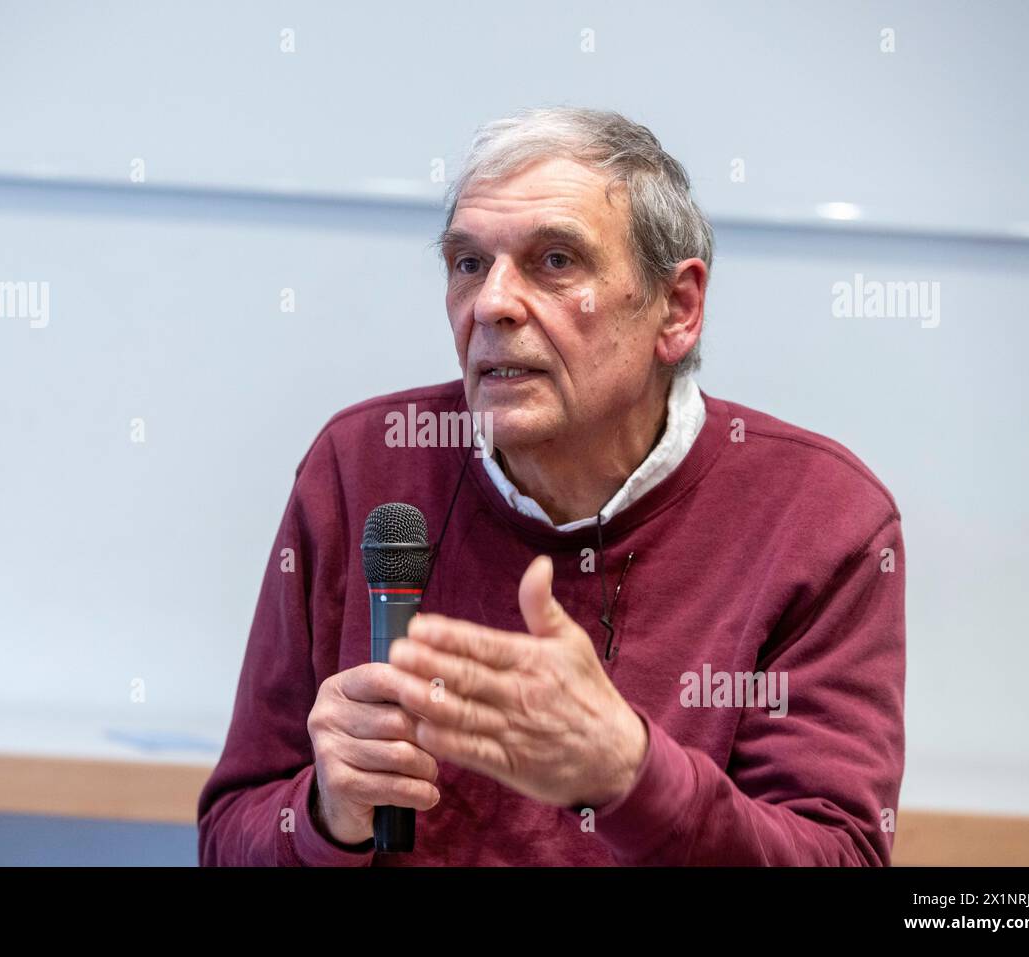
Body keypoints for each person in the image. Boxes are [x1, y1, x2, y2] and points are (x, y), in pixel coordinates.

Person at [198, 106, 905, 866]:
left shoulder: (821, 516)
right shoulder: (362, 467)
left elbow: (839, 855)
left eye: (555, 260)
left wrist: (633, 774)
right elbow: (231, 832)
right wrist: (324, 814)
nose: (493, 303)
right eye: (468, 263)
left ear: (679, 307)